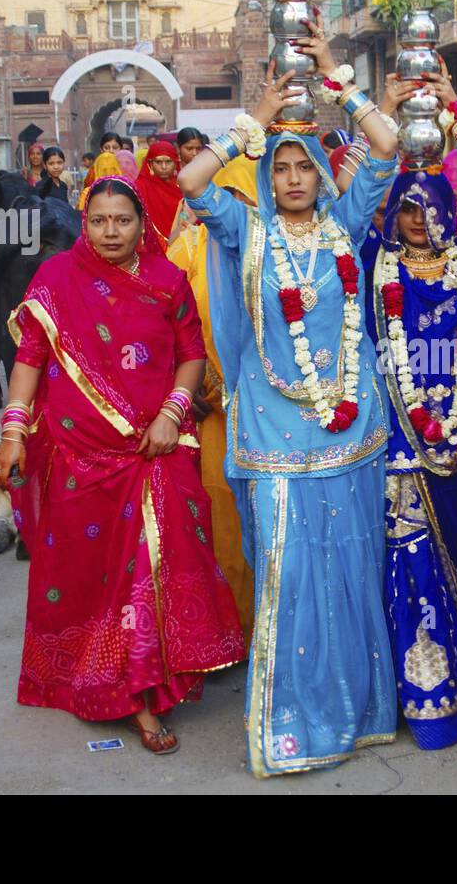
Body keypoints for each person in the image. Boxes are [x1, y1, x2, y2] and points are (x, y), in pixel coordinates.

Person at [178, 21, 402, 778]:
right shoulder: (246, 227)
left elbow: (387, 146)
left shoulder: (344, 222)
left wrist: (339, 77)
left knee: (350, 563)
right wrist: (254, 120)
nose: (297, 178)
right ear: (268, 177)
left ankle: (356, 713)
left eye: (307, 167)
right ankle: (288, 725)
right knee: (287, 568)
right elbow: (191, 184)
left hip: (348, 424)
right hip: (273, 427)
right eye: (284, 168)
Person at [0, 174, 246, 754]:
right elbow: (31, 354)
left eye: (123, 220)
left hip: (155, 446)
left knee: (153, 563)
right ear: (85, 222)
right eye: (100, 220)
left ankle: (141, 693)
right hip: (78, 453)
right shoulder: (57, 279)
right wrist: (12, 431)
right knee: (88, 571)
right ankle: (99, 674)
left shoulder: (166, 279)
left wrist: (172, 412)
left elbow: (190, 356)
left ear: (141, 225)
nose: (111, 231)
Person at [364, 67, 457, 751]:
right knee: (410, 569)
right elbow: (352, 188)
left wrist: (455, 109)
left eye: (430, 207)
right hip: (399, 443)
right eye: (407, 209)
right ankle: (426, 703)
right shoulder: (372, 262)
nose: (420, 220)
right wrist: (373, 108)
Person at [163, 161, 261, 639]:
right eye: (225, 196)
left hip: (270, 410)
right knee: (215, 519)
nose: (232, 210)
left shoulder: (277, 250)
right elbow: (166, 325)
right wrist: (187, 388)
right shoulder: (186, 249)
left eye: (243, 198)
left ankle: (262, 629)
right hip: (206, 413)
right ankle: (224, 632)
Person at [135, 139, 183, 253]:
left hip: (180, 246)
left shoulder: (183, 187)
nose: (164, 166)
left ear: (176, 163)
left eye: (168, 161)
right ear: (150, 163)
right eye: (159, 162)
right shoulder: (139, 187)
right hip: (150, 247)